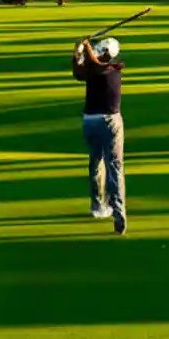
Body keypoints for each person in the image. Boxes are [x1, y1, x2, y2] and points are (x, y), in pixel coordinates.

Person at [72, 37, 127, 235]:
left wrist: (84, 47)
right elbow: (78, 72)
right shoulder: (100, 68)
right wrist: (76, 54)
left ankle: (101, 207)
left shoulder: (109, 69)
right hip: (108, 122)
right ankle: (112, 209)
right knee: (112, 165)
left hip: (91, 121)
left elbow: (92, 66)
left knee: (98, 163)